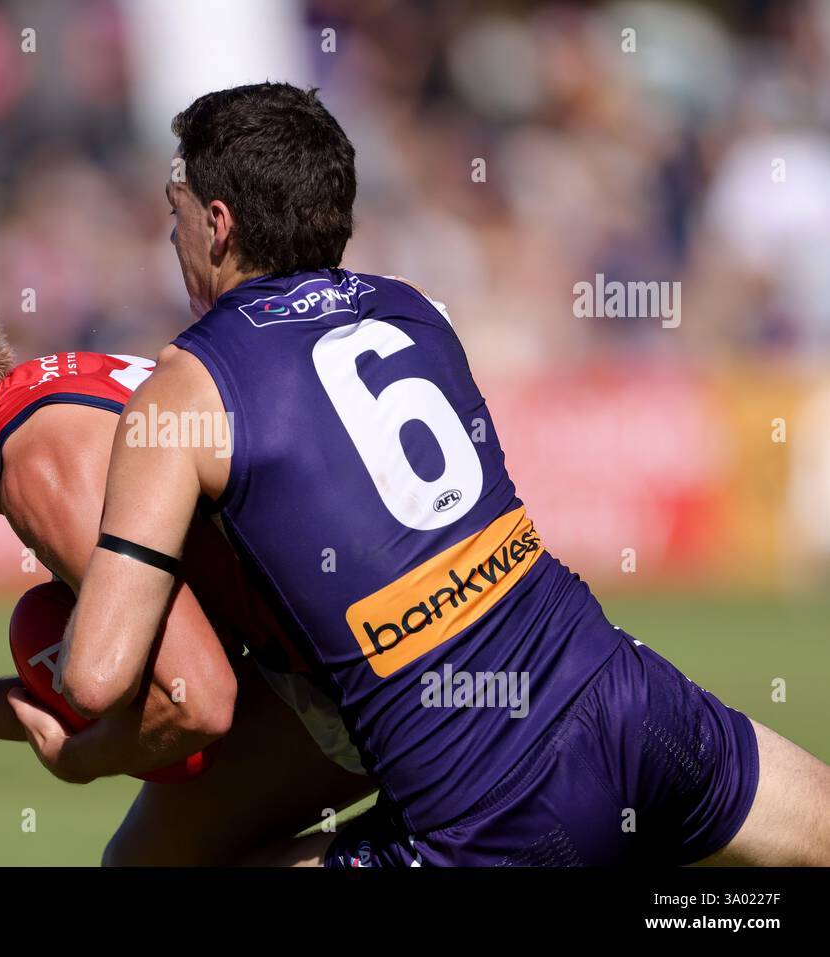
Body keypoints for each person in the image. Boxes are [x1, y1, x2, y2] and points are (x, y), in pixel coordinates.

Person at [59, 82, 830, 866]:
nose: (171, 235)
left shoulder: (185, 386)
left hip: (489, 818)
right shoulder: (418, 311)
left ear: (218, 224)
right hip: (626, 699)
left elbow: (96, 678)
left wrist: (17, 698)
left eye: (175, 211)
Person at [0, 239, 374, 865]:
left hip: (379, 672)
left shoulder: (41, 466)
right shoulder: (49, 396)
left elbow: (199, 704)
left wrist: (81, 760)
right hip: (393, 637)